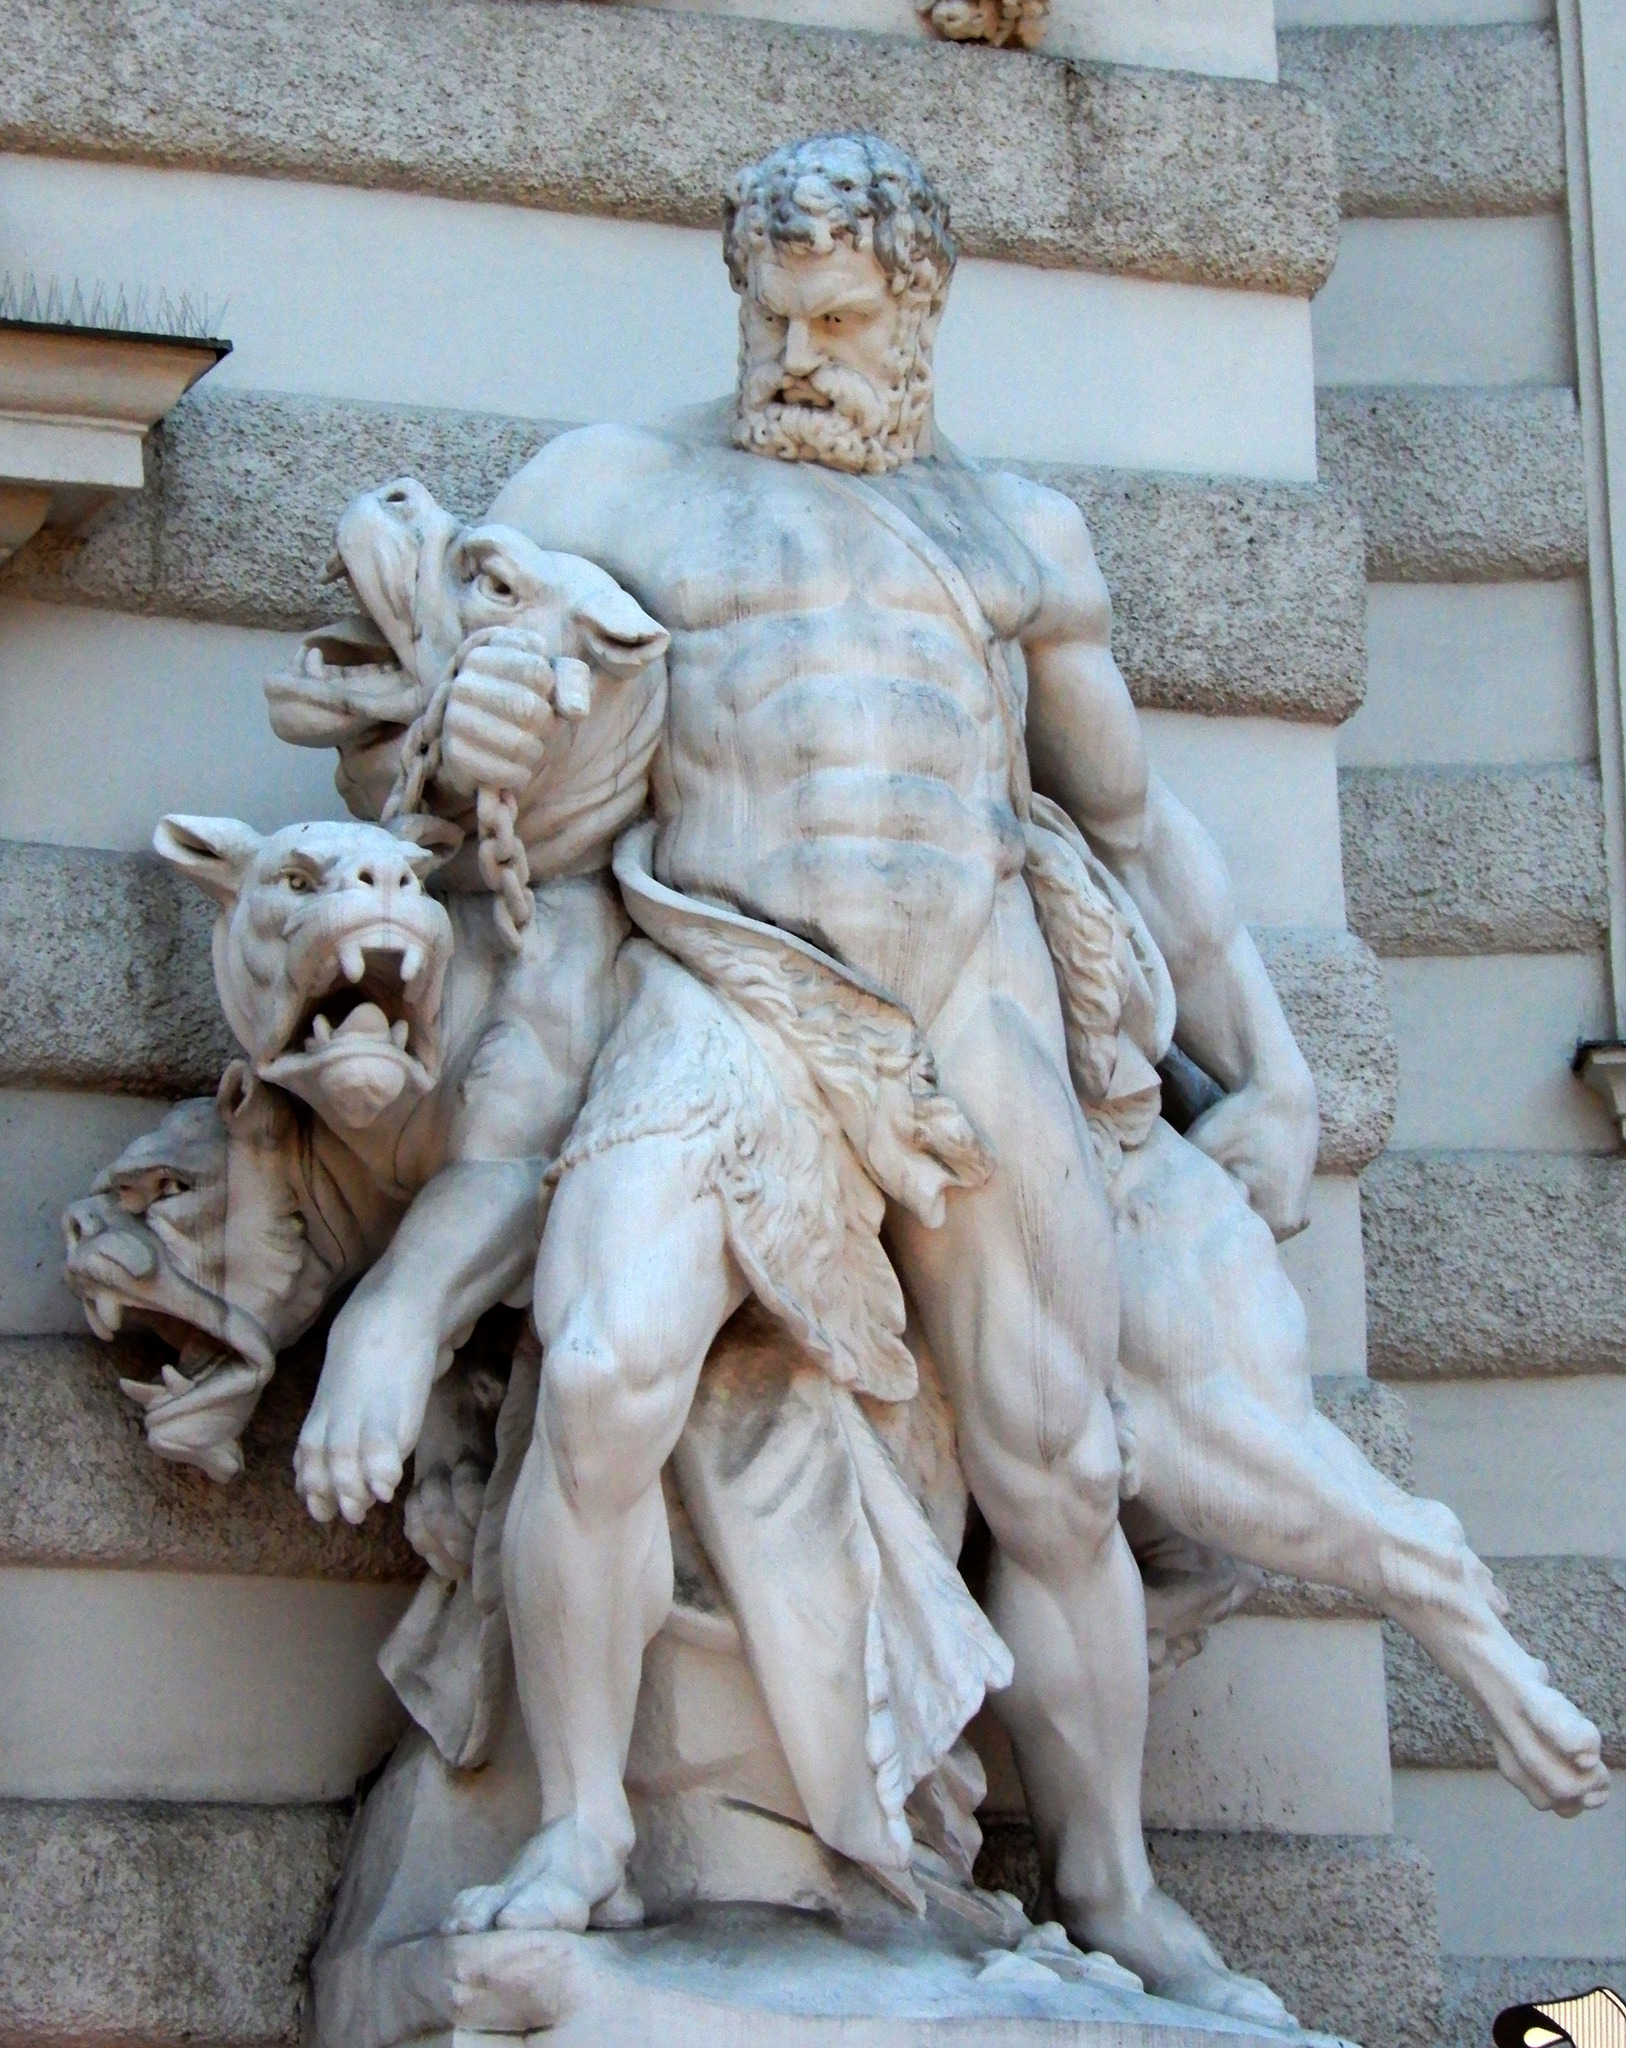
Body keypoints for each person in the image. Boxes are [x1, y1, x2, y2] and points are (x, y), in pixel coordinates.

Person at [295, 133, 1607, 2009]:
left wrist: (1271, 1069)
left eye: (837, 323)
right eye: (770, 318)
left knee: (1057, 1462)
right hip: (730, 981)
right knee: (597, 1375)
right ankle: (580, 1831)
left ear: (917, 312)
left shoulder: (1017, 535)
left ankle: (1110, 1885)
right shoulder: (613, 488)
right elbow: (439, 754)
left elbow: (1133, 824)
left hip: (970, 1002)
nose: (797, 358)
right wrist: (468, 726)